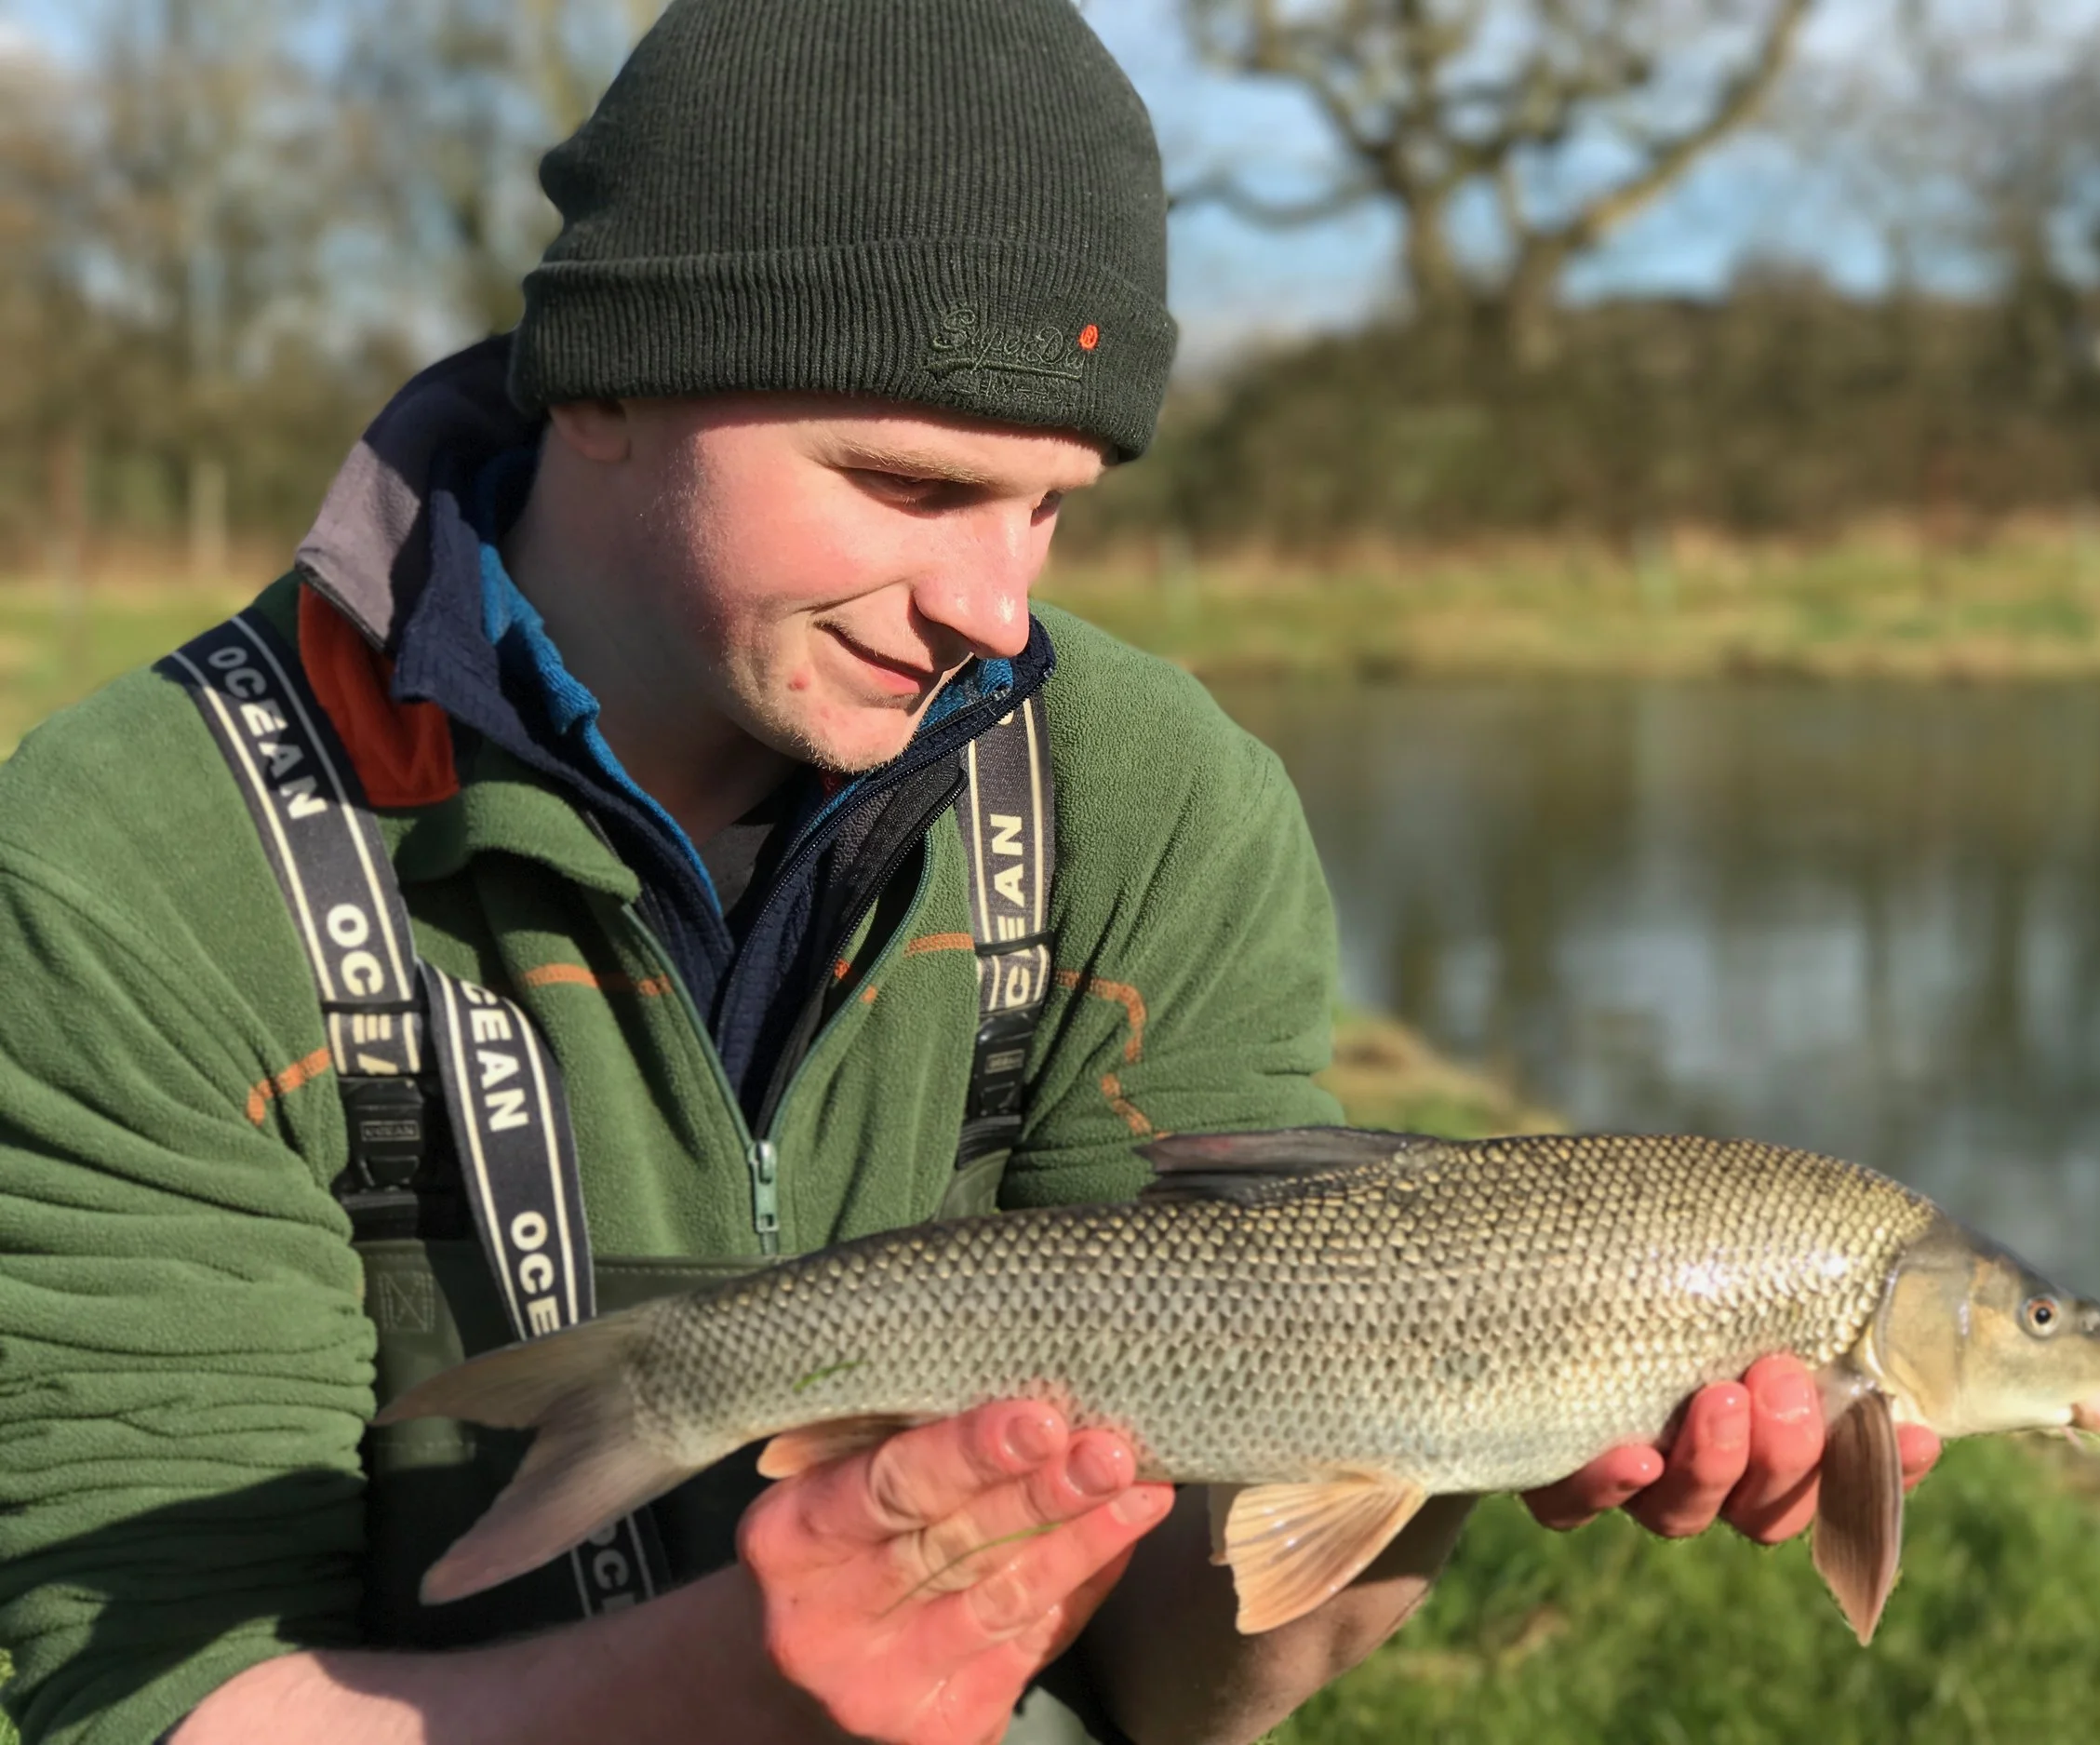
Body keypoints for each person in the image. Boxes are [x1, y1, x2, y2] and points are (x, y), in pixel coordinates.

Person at [0, 3, 1940, 1742]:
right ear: (595, 382)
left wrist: (1438, 1418)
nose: (992, 613)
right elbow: (147, 1688)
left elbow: (1187, 1686)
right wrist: (736, 1693)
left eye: (1049, 508)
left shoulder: (1147, 788)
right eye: (908, 486)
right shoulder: (130, 859)